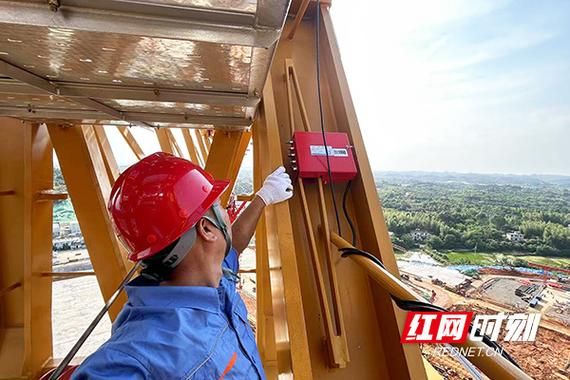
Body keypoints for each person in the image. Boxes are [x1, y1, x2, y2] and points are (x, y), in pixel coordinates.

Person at [72, 152, 293, 379]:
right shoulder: (137, 355)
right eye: (220, 207)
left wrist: (263, 197)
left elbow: (234, 245)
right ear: (206, 229)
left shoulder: (212, 280)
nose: (228, 214)